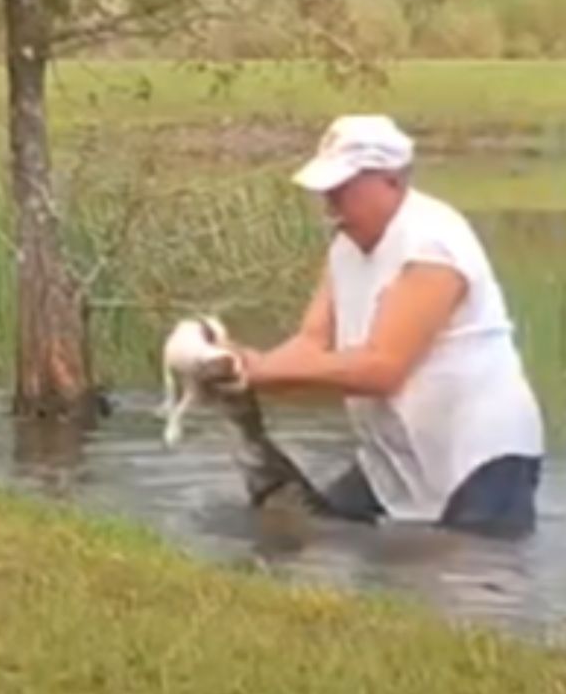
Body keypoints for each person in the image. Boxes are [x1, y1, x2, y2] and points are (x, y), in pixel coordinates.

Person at [233, 114, 545, 537]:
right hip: (397, 455)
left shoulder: (432, 244)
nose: (330, 204)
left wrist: (261, 372)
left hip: (480, 453)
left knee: (475, 570)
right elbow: (311, 343)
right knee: (320, 540)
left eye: (343, 189)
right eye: (327, 191)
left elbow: (383, 369)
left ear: (392, 181)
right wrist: (239, 370)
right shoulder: (346, 248)